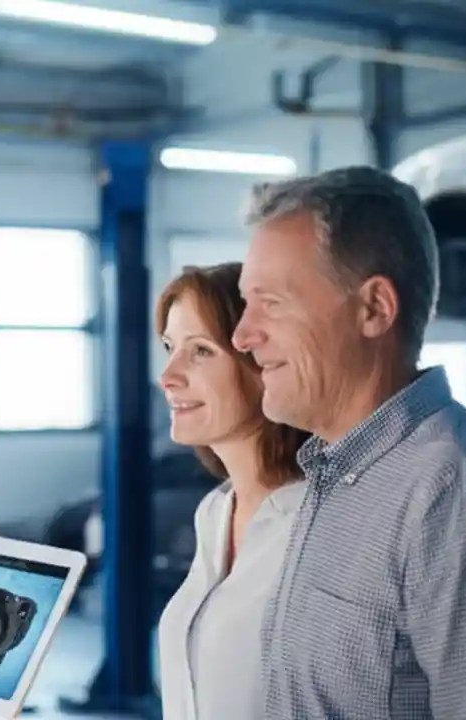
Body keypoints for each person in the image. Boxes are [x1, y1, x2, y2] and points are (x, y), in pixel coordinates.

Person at [231, 165, 466, 718]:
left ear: (374, 309)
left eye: (270, 303)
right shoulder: (337, 476)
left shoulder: (460, 495)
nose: (243, 335)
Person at [153, 262, 310, 720]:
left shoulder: (318, 522)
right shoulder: (216, 512)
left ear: (264, 364)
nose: (168, 376)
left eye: (200, 351)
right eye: (169, 347)